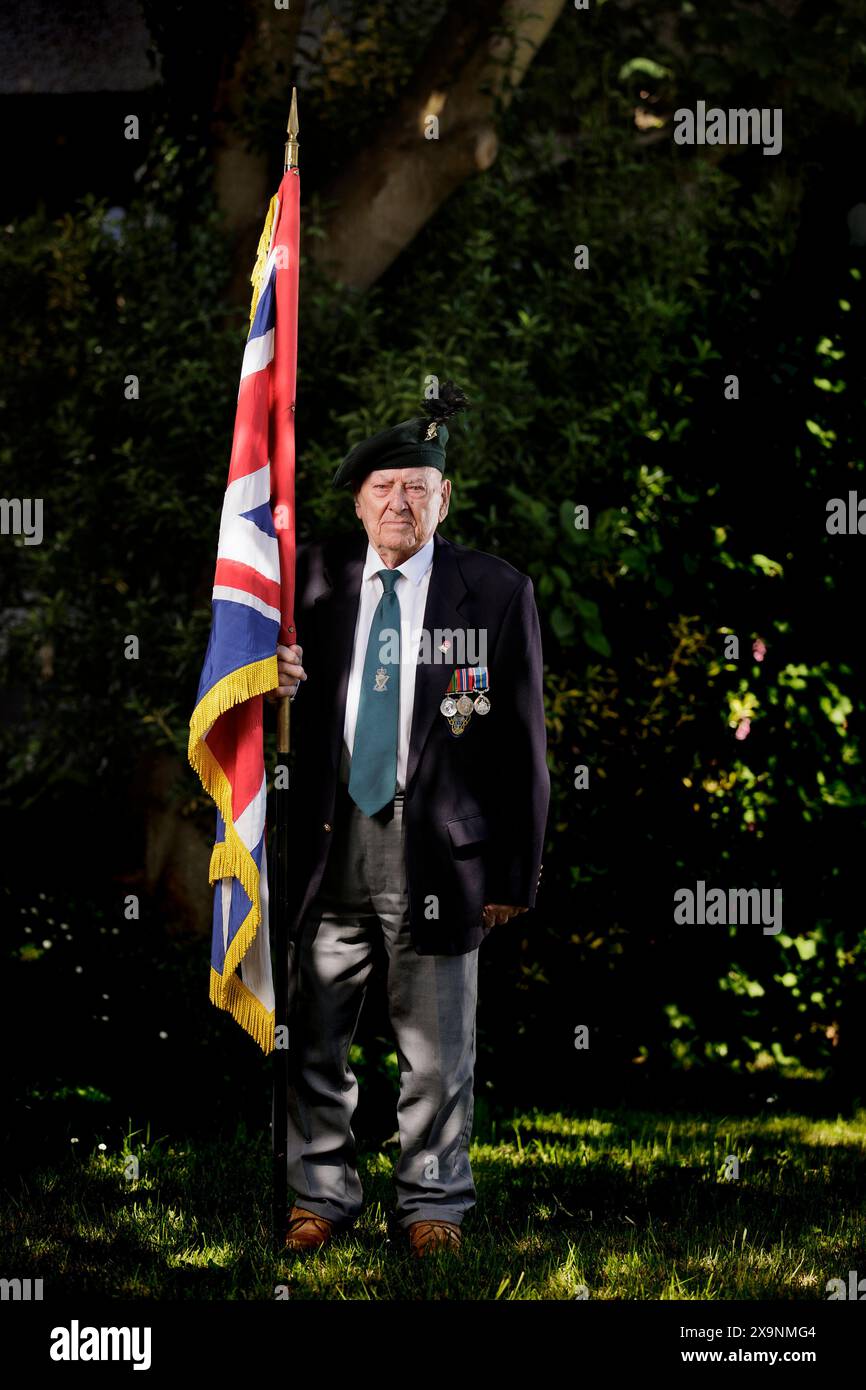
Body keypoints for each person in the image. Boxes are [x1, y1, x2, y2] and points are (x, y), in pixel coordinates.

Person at [270, 383, 549, 1257]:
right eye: (384, 487)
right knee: (315, 1029)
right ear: (358, 500)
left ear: (444, 499)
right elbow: (226, 689)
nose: (401, 501)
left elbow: (523, 744)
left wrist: (513, 874)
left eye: (418, 488)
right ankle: (319, 1197)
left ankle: (433, 1208)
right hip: (325, 837)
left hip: (439, 849)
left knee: (437, 1049)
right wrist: (260, 680)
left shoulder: (494, 591)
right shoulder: (305, 579)